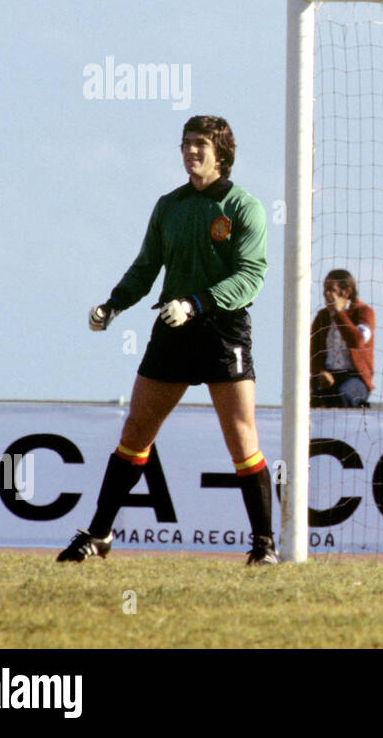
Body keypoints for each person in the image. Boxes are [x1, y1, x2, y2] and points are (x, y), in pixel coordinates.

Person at [59, 115, 278, 565]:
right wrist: (114, 303)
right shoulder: (168, 205)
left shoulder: (244, 207)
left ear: (222, 152)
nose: (190, 151)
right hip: (173, 329)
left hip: (222, 330)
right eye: (185, 144)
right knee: (137, 430)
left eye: (200, 144)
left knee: (240, 437)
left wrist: (197, 303)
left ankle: (263, 546)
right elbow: (147, 265)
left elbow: (251, 276)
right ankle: (99, 534)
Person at [310, 269, 375, 408]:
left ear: (347, 292)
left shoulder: (364, 312)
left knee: (342, 396)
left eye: (330, 289)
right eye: (324, 289)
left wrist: (338, 313)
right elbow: (312, 351)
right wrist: (319, 372)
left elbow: (357, 341)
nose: (325, 294)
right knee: (302, 397)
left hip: (354, 378)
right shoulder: (321, 317)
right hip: (327, 376)